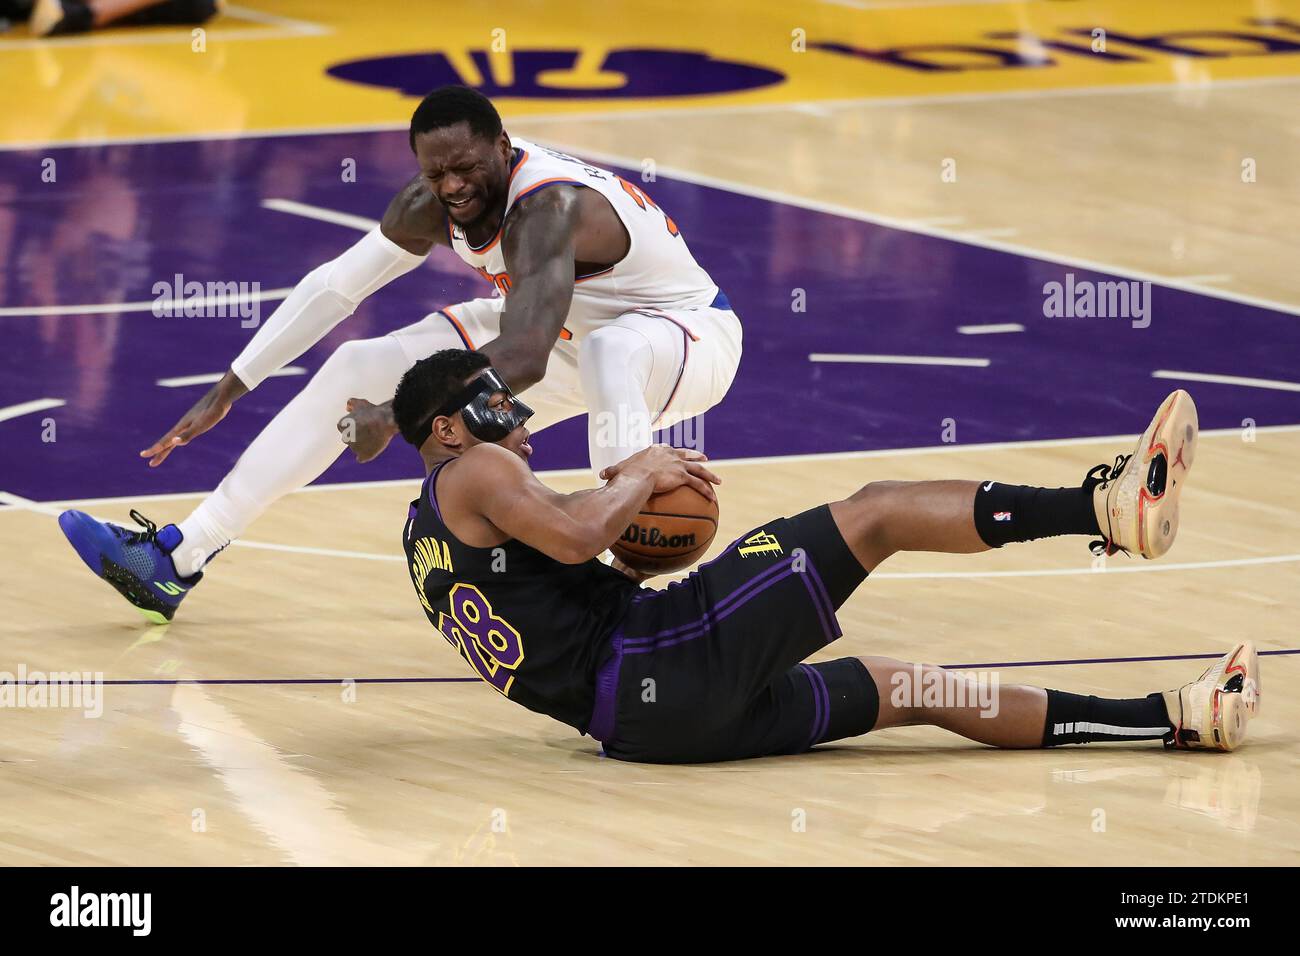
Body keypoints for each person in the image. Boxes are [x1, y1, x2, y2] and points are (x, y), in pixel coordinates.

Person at [58, 86, 742, 622]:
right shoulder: (432, 200)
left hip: (684, 336)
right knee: (357, 364)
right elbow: (332, 289)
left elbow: (525, 358)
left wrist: (395, 414)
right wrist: (232, 385)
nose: (453, 187)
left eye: (468, 167)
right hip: (565, 333)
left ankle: (623, 573)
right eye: (436, 171)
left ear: (503, 148)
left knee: (611, 352)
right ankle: (180, 558)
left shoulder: (548, 209)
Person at [390, 350, 1258, 762]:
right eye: (500, 407)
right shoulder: (476, 467)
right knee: (874, 515)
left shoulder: (420, 537)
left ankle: (1175, 717)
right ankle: (1103, 506)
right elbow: (578, 532)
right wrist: (646, 470)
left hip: (643, 724)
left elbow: (548, 597)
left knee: (910, 691)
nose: (524, 424)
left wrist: (625, 567)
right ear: (446, 429)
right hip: (663, 657)